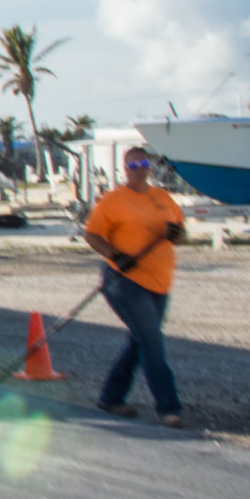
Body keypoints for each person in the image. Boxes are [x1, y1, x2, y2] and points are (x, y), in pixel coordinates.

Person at [80, 150, 187, 426]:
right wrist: (115, 255)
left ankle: (111, 398)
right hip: (125, 281)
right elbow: (91, 234)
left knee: (140, 341)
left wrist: (178, 235)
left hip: (160, 282)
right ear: (125, 168)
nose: (140, 169)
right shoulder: (113, 200)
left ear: (150, 167)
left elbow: (180, 232)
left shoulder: (162, 198)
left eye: (144, 164)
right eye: (134, 165)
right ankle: (168, 407)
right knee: (152, 341)